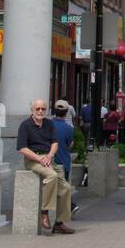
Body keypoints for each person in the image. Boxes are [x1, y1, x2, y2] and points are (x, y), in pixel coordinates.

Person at [17, 99, 74, 235]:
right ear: (32, 110)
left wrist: (49, 155)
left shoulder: (49, 124)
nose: (40, 111)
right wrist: (39, 158)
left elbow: (55, 142)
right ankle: (44, 212)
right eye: (37, 109)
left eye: (43, 109)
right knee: (52, 175)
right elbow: (22, 148)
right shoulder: (25, 125)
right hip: (33, 159)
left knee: (66, 188)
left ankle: (59, 223)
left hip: (48, 159)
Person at [51, 100, 75, 180]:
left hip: (49, 163)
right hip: (63, 162)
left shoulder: (47, 125)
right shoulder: (69, 128)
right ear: (66, 112)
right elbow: (70, 145)